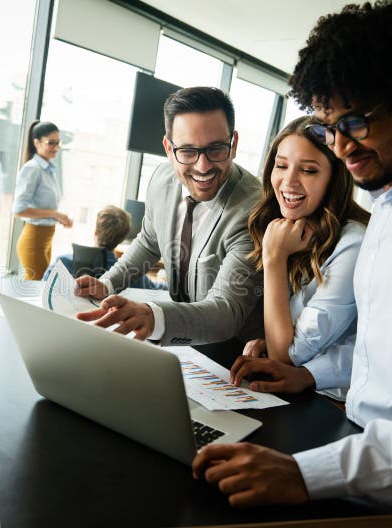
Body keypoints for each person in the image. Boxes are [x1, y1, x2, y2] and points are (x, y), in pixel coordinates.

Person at [192, 2, 392, 528]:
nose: (342, 146)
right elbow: (388, 350)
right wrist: (308, 375)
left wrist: (309, 473)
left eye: (356, 122)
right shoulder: (388, 200)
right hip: (364, 452)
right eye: (328, 127)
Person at [76, 87, 263, 346]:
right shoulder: (161, 180)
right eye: (187, 151)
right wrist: (107, 284)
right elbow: (149, 241)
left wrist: (154, 316)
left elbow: (227, 309)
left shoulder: (255, 209)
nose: (203, 166)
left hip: (234, 352)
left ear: (234, 144)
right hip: (182, 342)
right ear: (168, 147)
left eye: (216, 149)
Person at [229, 117, 369, 399]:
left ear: (334, 179)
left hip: (338, 405)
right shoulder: (294, 229)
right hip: (304, 395)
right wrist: (269, 342)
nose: (289, 181)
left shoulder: (352, 245)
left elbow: (287, 357)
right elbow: (288, 343)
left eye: (308, 170)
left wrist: (274, 259)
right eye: (281, 166)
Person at [43, 205, 166, 290]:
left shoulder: (62, 263)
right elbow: (159, 289)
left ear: (95, 231)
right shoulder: (132, 275)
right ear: (122, 239)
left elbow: (41, 290)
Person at [13, 120, 73, 280]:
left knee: (41, 288)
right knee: (38, 288)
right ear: (37, 142)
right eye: (51, 143)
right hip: (34, 239)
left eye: (58, 142)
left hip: (46, 238)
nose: (56, 147)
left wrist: (58, 217)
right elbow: (19, 210)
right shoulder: (32, 169)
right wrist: (55, 214)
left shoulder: (48, 169)